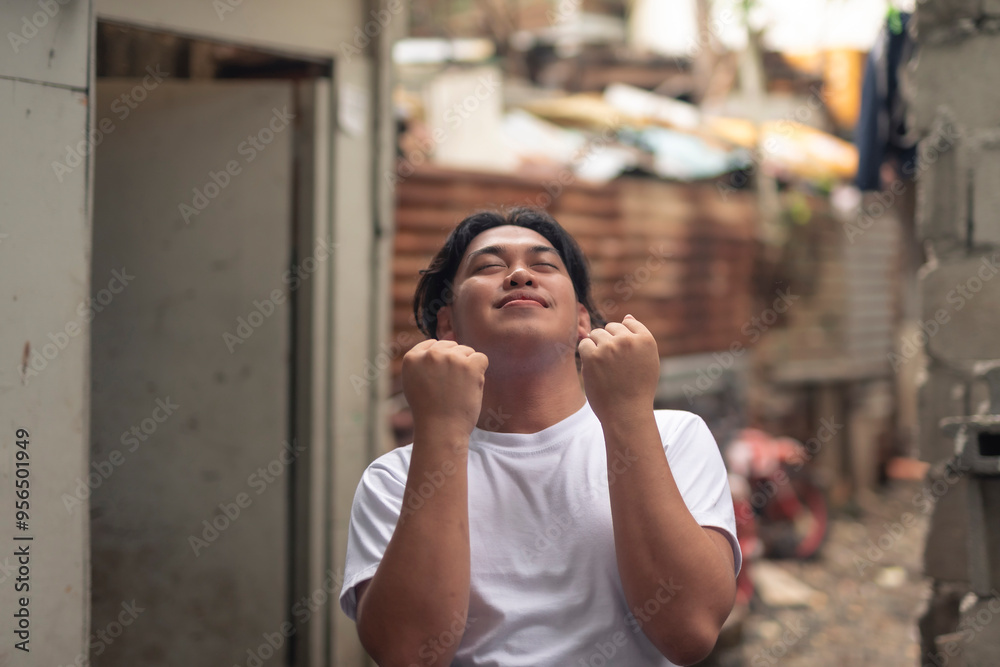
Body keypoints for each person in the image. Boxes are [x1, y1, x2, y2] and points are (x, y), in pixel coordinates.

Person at [339, 207, 741, 666]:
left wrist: (629, 412)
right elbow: (407, 655)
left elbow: (690, 632)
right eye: (490, 266)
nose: (518, 275)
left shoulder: (671, 437)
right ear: (447, 324)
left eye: (544, 265)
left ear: (582, 321)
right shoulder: (395, 478)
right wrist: (441, 430)